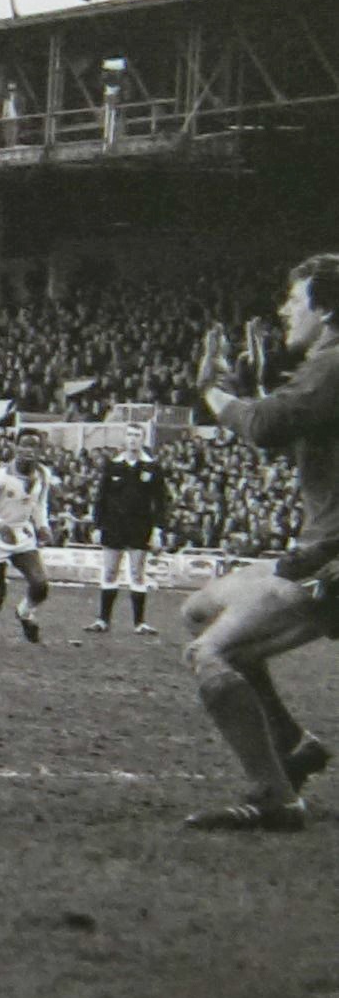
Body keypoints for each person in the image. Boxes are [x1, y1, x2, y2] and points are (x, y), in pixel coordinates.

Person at [177, 256, 339, 832]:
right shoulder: (325, 366)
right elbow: (281, 427)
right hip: (322, 552)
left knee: (211, 654)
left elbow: (268, 428)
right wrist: (254, 390)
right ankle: (292, 748)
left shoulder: (335, 361)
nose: (283, 309)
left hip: (331, 560)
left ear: (324, 308)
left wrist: (214, 394)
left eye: (293, 299)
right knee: (199, 610)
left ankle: (276, 797)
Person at [0, 430, 55, 646]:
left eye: (33, 446)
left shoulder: (43, 474)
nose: (28, 451)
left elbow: (39, 504)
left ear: (40, 450)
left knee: (40, 584)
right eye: (24, 446)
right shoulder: (1, 476)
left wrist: (43, 526)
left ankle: (25, 613)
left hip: (22, 535)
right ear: (15, 448)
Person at [89, 422, 170, 635]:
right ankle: (103, 620)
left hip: (139, 527)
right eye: (130, 435)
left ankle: (139, 623)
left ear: (143, 439)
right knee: (109, 571)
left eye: (137, 435)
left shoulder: (152, 467)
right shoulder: (113, 465)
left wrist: (158, 530)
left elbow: (160, 502)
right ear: (124, 439)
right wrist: (97, 526)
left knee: (136, 572)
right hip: (113, 526)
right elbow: (100, 498)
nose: (133, 439)